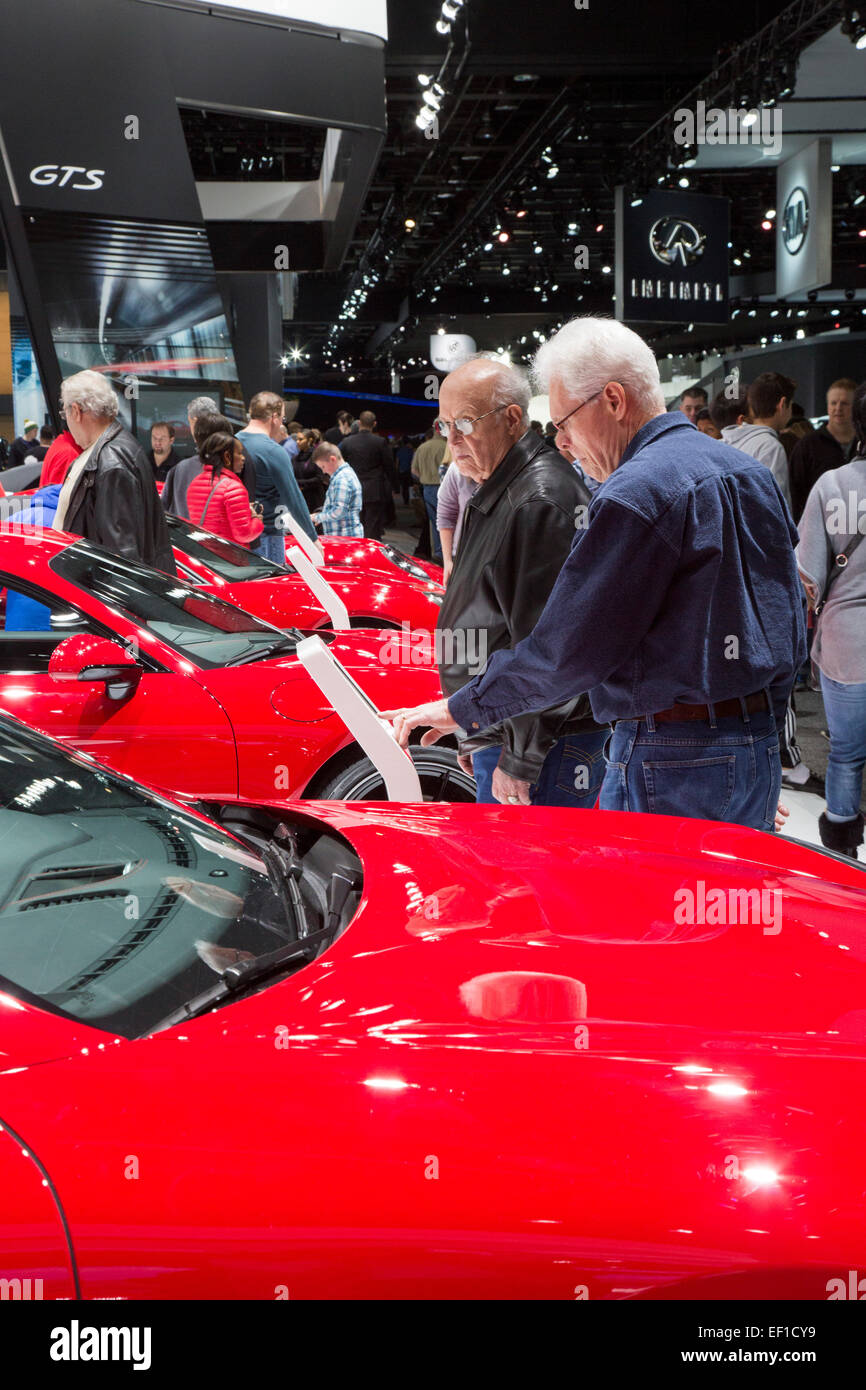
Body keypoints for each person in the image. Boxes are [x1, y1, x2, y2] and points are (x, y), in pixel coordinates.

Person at [386, 317, 806, 829]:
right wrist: (758, 740)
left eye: (564, 422)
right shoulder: (749, 473)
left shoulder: (636, 492)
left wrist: (464, 709)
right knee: (723, 904)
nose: (562, 442)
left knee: (644, 907)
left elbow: (567, 652)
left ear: (612, 399)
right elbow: (787, 622)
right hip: (751, 745)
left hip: (669, 757)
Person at [415, 354, 609, 808]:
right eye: (445, 426)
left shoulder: (537, 500)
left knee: (531, 877)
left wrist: (519, 757)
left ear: (512, 419)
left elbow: (551, 650)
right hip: (506, 729)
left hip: (541, 747)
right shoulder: (504, 486)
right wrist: (474, 731)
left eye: (463, 423)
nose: (451, 443)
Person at [795, 378, 866, 860]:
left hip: (847, 644)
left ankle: (842, 853)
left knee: (846, 754)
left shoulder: (833, 485)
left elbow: (806, 577)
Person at [55, 369, 176, 573]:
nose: (65, 419)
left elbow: (122, 555)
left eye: (64, 413)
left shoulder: (112, 460)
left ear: (75, 411)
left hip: (95, 594)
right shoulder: (111, 450)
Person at [238, 391, 317, 562]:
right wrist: (313, 538)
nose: (282, 422)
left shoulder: (231, 442)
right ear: (274, 417)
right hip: (266, 535)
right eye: (282, 418)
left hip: (234, 537)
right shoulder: (274, 451)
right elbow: (293, 497)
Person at [720, 371, 794, 509]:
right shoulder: (770, 447)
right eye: (791, 406)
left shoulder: (725, 442)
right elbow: (773, 507)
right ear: (782, 404)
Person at [789, 378, 858, 521]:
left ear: (856, 406)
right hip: (818, 529)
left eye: (844, 403)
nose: (838, 408)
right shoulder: (807, 446)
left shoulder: (862, 444)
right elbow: (796, 495)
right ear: (827, 406)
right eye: (833, 403)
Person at [187, 426, 264, 547]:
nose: (243, 458)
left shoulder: (195, 483)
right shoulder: (233, 488)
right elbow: (244, 535)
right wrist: (257, 520)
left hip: (204, 554)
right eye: (239, 453)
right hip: (229, 559)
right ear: (227, 457)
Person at [340, 410, 394, 540]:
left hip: (352, 489)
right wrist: (394, 487)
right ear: (374, 424)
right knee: (372, 527)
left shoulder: (347, 442)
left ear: (359, 423)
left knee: (354, 525)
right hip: (374, 489)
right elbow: (389, 466)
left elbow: (341, 465)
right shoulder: (380, 442)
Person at [162, 395, 220, 518]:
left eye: (190, 422)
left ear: (195, 421)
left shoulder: (180, 469)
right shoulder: (234, 459)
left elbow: (164, 511)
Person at [436, 459, 477, 585]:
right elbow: (446, 516)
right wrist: (448, 560)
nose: (452, 443)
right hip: (462, 555)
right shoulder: (457, 468)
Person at [310, 442, 363, 537]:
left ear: (332, 459)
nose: (323, 471)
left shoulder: (342, 479)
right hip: (345, 535)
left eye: (323, 466)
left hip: (345, 537)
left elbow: (339, 511)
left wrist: (317, 517)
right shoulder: (344, 475)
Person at [411, 428, 447, 562]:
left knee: (434, 523)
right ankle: (446, 554)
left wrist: (425, 477)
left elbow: (414, 471)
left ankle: (438, 553)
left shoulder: (422, 447)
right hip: (444, 488)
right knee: (447, 522)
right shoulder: (447, 447)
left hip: (427, 489)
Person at [395, 434, 414, 503]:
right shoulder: (411, 451)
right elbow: (413, 461)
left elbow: (397, 462)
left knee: (404, 487)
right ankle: (412, 499)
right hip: (409, 471)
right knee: (410, 486)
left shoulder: (399, 451)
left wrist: (397, 471)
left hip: (402, 471)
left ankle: (405, 501)